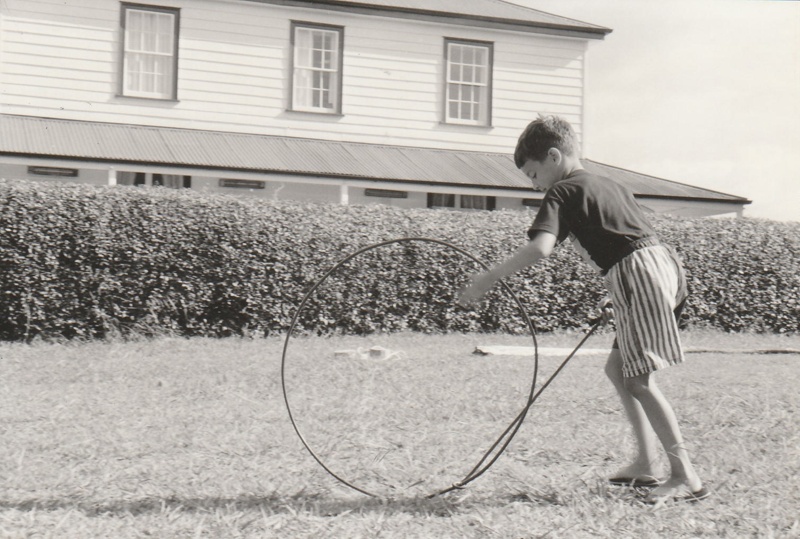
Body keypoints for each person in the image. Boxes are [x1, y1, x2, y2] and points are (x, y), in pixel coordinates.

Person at [458, 115, 708, 504]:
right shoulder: (607, 183)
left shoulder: (561, 192)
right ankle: (645, 463)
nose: (534, 183)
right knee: (618, 368)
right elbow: (619, 240)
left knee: (640, 380)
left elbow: (540, 248)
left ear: (554, 157)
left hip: (638, 272)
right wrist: (621, 291)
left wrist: (487, 278)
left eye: (533, 173)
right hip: (662, 266)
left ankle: (684, 476)